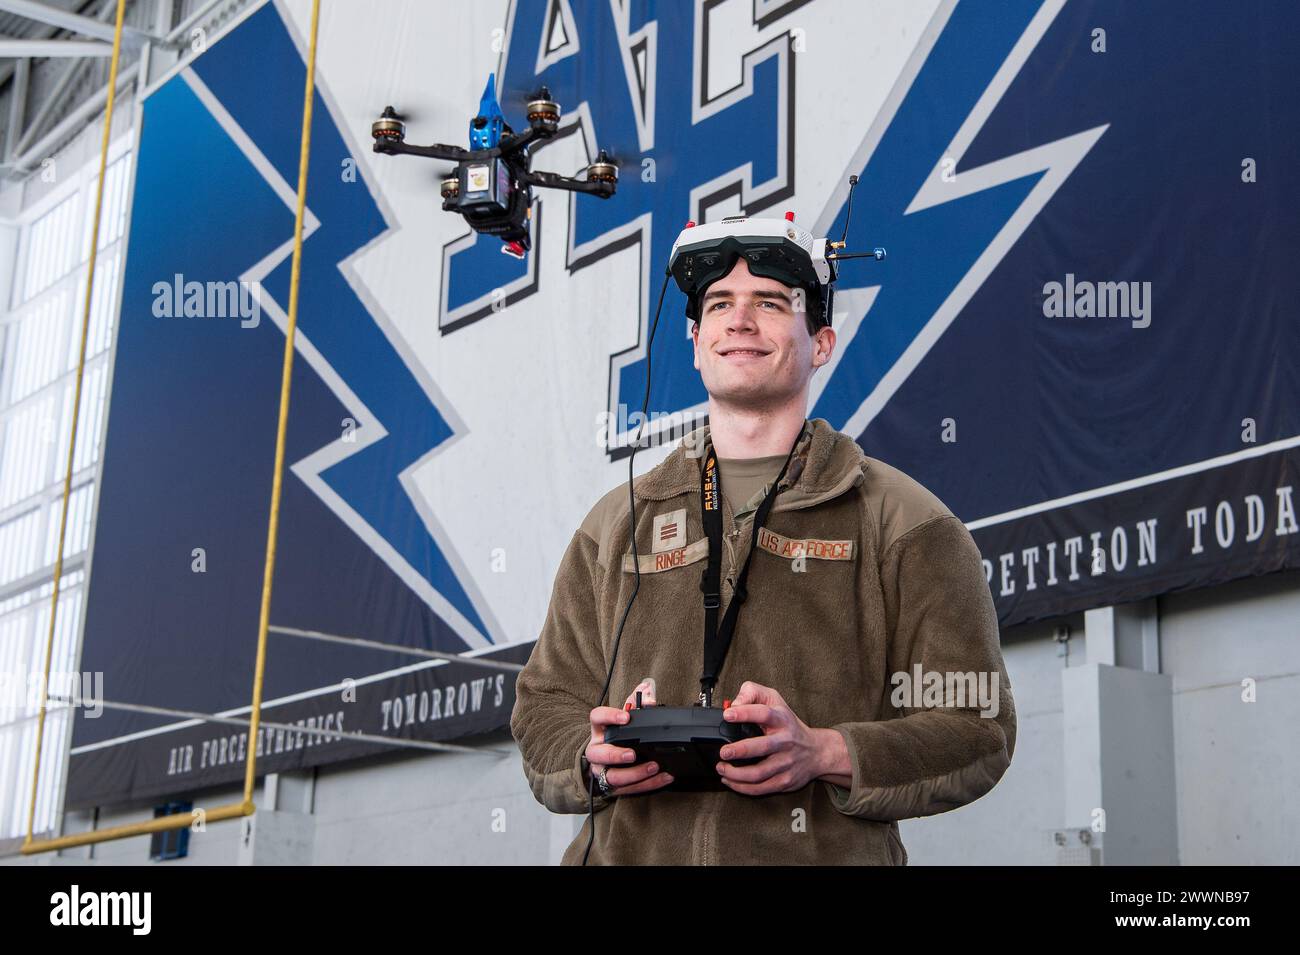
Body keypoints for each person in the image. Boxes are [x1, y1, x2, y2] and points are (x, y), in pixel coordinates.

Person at [510, 218, 1016, 864]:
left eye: (772, 303)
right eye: (719, 304)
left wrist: (824, 750)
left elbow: (977, 727)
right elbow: (544, 705)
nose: (740, 321)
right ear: (695, 342)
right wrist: (592, 757)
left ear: (822, 342)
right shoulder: (614, 524)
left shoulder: (907, 520)